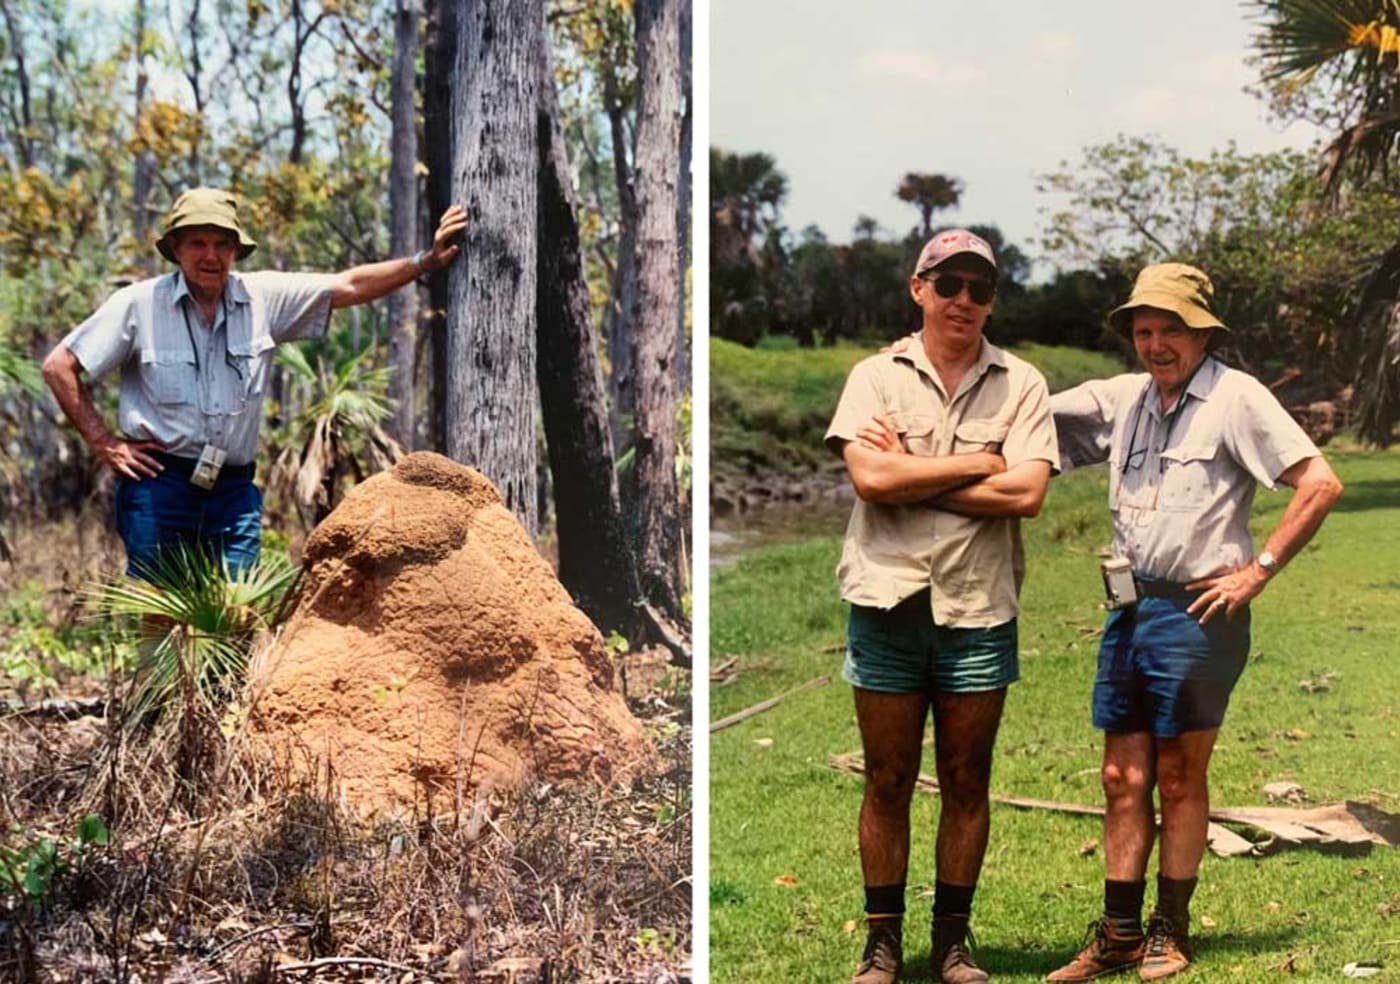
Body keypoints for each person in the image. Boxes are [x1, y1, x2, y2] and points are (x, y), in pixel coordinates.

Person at [1042, 263, 1344, 981]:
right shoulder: (1123, 398)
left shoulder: (1236, 397)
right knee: (1121, 775)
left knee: (1178, 776)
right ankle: (1118, 934)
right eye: (1144, 331)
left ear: (1202, 334)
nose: (1156, 345)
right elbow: (1023, 410)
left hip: (1199, 612)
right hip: (1129, 607)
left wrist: (1257, 570)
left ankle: (1168, 931)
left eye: (1171, 330)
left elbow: (1320, 482)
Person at [825, 229, 1059, 984]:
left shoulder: (1022, 383)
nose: (963, 299)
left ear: (991, 302)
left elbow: (1026, 494)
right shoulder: (873, 377)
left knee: (966, 781)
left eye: (978, 288)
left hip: (978, 611)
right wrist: (978, 464)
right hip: (886, 605)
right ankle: (881, 945)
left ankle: (952, 943)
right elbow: (870, 481)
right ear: (918, 288)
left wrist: (912, 470)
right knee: (886, 780)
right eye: (949, 284)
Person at [41, 187, 469, 579]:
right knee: (159, 613)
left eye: (222, 244)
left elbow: (349, 285)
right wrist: (104, 443)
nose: (211, 256)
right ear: (176, 248)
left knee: (239, 612)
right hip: (160, 485)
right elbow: (59, 366)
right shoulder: (139, 303)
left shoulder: (261, 297)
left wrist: (425, 261)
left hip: (233, 490)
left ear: (236, 250)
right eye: (198, 243)